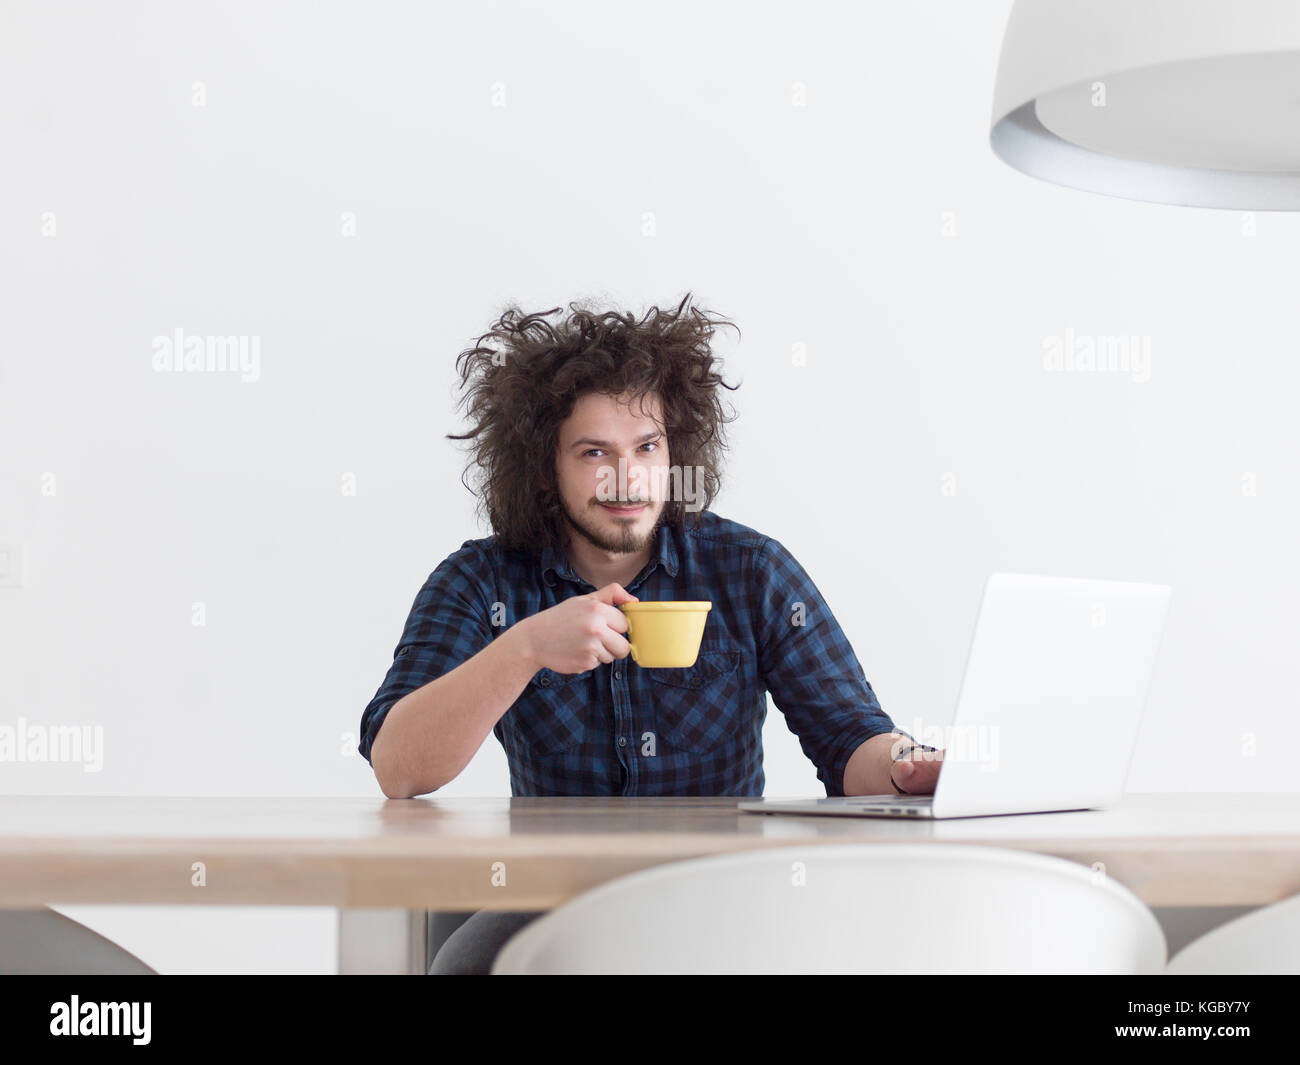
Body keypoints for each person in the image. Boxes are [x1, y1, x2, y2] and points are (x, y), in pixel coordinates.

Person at [357, 293, 945, 974]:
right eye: (593, 452)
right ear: (546, 468)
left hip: (723, 901)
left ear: (676, 450)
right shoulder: (481, 580)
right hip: (555, 900)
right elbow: (398, 768)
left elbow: (850, 742)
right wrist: (522, 649)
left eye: (646, 446)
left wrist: (905, 764)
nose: (627, 476)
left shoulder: (748, 568)